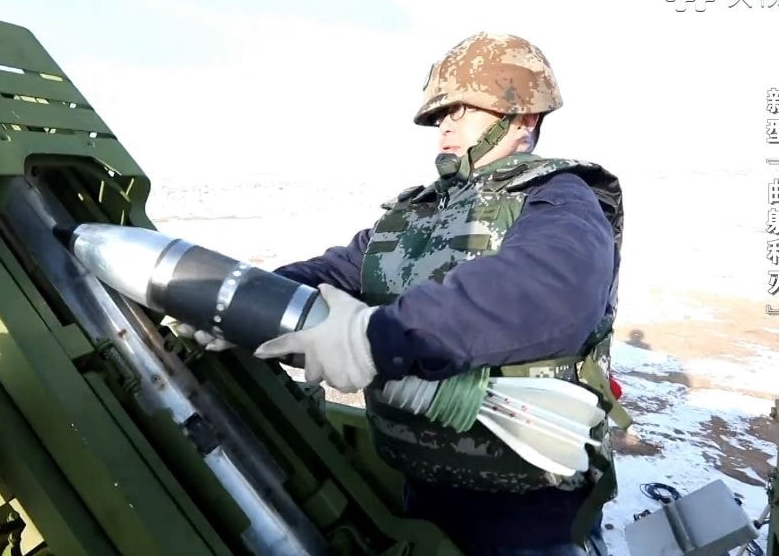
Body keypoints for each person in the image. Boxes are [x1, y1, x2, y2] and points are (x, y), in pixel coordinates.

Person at [182, 32, 629, 556]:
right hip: (422, 482)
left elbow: (549, 292)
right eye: (440, 115)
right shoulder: (416, 212)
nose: (445, 125)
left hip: (526, 507)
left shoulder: (560, 196)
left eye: (461, 110)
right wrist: (236, 304)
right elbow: (338, 271)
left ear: (522, 119)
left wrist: (376, 337)